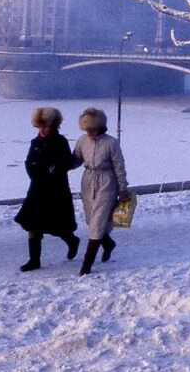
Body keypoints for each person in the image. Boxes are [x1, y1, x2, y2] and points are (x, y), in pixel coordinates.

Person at [13, 107, 80, 272]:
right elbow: (29, 163)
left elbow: (65, 164)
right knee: (32, 225)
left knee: (57, 226)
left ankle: (72, 241)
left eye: (45, 126)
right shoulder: (35, 143)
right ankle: (34, 260)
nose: (42, 130)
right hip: (37, 190)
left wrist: (52, 169)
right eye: (39, 127)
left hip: (55, 192)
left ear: (54, 126)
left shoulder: (61, 142)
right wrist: (36, 174)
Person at [71, 107, 130, 276]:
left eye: (92, 129)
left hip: (107, 183)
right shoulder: (82, 141)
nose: (90, 133)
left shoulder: (111, 143)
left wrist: (123, 188)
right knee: (91, 220)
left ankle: (86, 265)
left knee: (97, 223)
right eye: (87, 129)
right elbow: (76, 159)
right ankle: (108, 244)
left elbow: (119, 166)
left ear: (100, 127)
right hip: (88, 181)